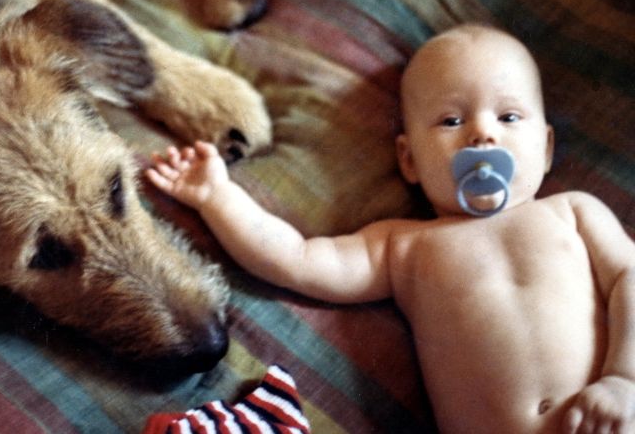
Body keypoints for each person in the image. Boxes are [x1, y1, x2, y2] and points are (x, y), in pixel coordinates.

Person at [146, 25, 635, 434]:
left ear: (546, 149)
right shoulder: (403, 246)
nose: (482, 133)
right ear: (409, 160)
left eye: (508, 116)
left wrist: (624, 380)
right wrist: (217, 196)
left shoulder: (573, 212)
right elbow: (295, 258)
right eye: (450, 120)